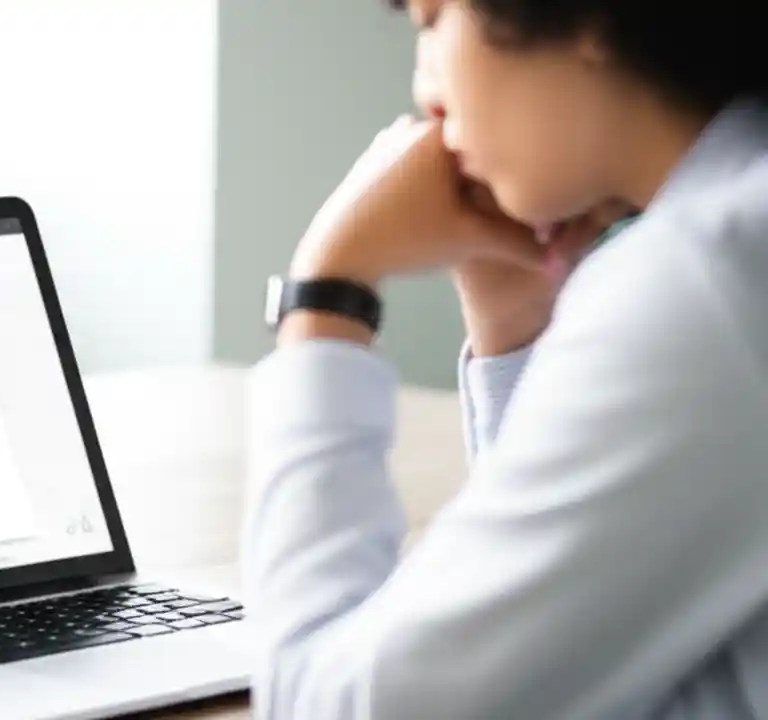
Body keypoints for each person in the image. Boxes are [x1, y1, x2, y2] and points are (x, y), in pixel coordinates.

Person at [243, 0, 768, 716]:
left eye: (433, 20)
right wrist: (514, 322)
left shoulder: (707, 281)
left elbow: (331, 705)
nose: (425, 90)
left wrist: (327, 296)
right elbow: (555, 661)